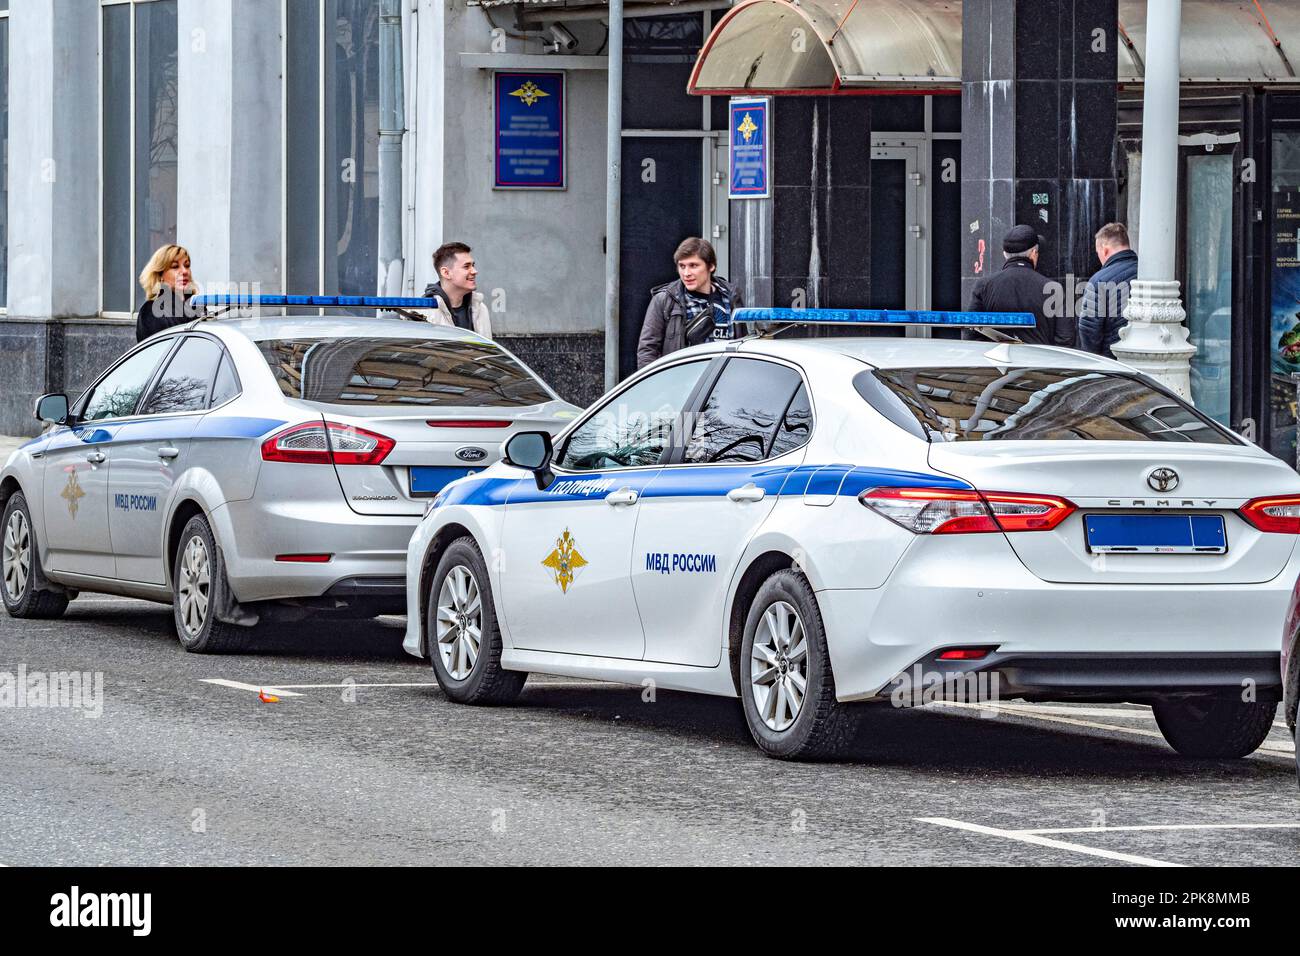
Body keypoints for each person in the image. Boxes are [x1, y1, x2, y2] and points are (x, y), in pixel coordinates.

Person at [636, 237, 741, 369]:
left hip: (723, 378)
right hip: (682, 380)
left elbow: (742, 344)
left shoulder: (731, 297)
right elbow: (647, 351)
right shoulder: (665, 300)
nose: (686, 273)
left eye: (693, 266)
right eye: (682, 266)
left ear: (711, 266)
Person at [967, 225, 1070, 347]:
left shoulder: (983, 286)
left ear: (1005, 254)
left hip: (996, 363)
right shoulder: (1053, 288)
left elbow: (972, 334)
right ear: (1033, 253)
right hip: (1040, 363)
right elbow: (1066, 337)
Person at [1076, 222, 1139, 358]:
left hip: (1114, 361)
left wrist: (1095, 361)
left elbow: (1089, 330)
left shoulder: (1099, 280)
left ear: (1104, 249)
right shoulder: (1148, 274)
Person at [422, 241, 492, 338]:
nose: (475, 271)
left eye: (473, 265)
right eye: (466, 266)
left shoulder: (480, 308)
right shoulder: (425, 313)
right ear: (446, 273)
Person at [136, 244, 199, 342]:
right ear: (160, 274)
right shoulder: (151, 310)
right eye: (175, 266)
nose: (184, 271)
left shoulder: (197, 306)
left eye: (187, 265)